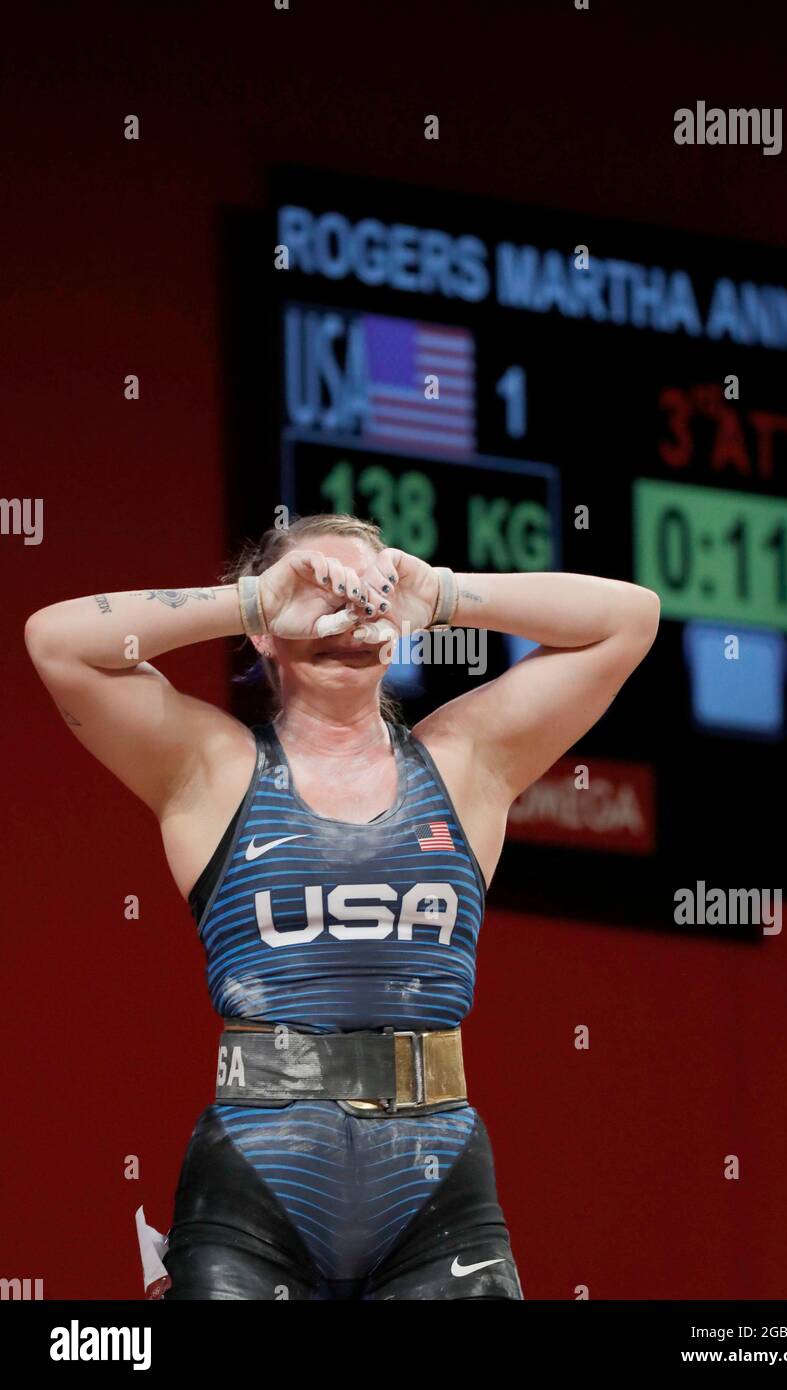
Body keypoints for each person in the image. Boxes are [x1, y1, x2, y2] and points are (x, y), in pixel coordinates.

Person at [24, 512, 660, 1300]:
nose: (346, 618)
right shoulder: (209, 768)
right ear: (266, 633)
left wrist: (443, 592)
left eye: (368, 596)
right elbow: (56, 640)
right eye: (317, 594)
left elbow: (630, 619)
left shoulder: (467, 762)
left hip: (438, 1197)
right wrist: (254, 602)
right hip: (254, 1194)